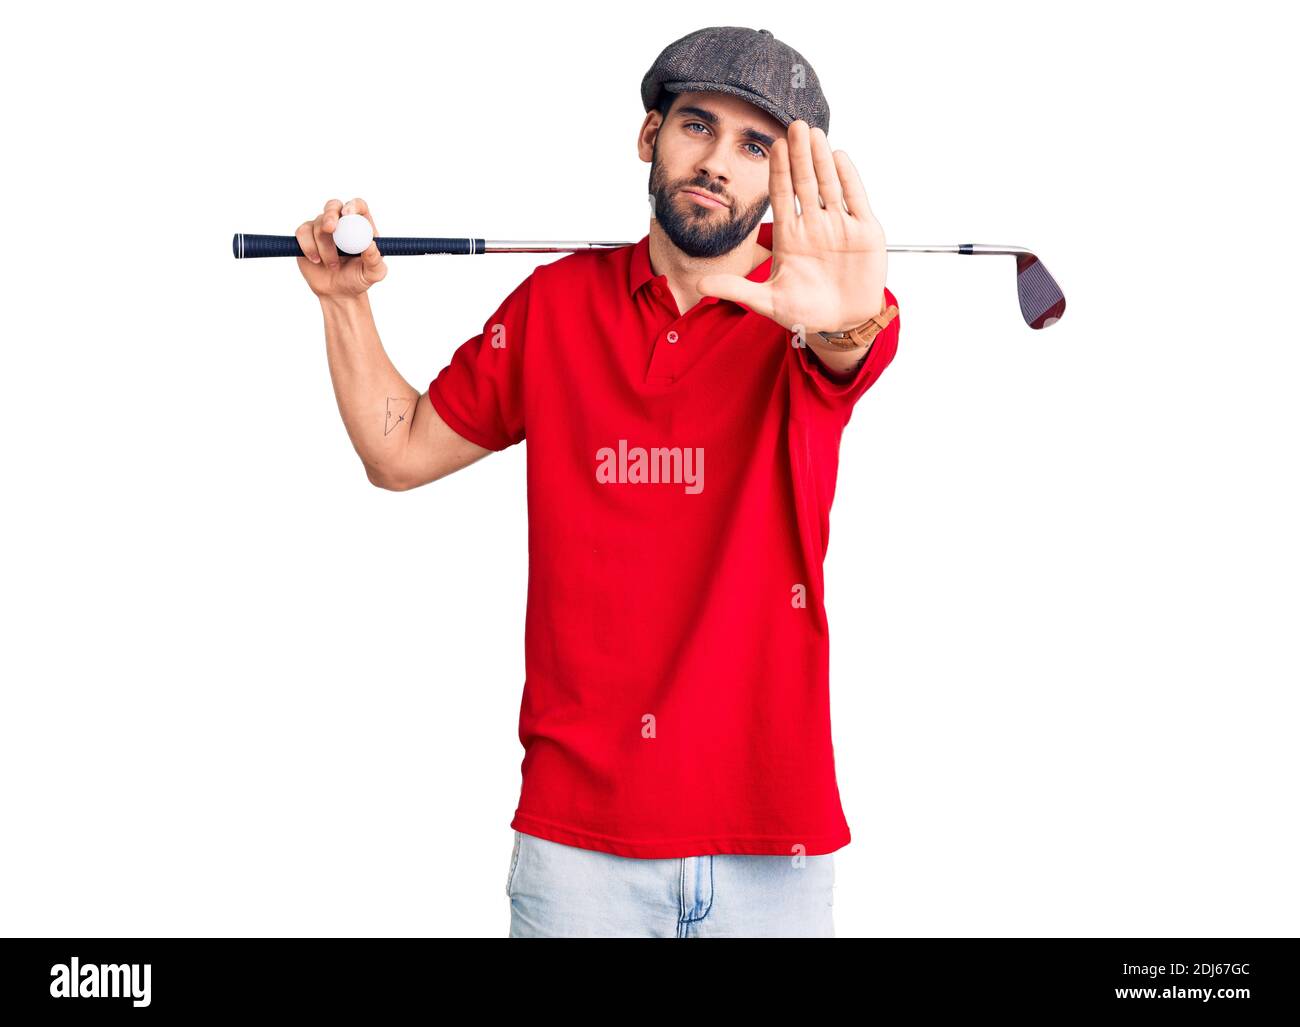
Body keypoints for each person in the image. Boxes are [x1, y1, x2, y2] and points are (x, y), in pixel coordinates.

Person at [295, 26, 901, 938]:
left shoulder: (825, 313)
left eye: (754, 146)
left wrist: (844, 323)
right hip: (578, 849)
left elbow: (849, 346)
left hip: (773, 847)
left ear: (781, 176)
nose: (717, 163)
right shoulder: (553, 307)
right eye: (698, 125)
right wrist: (346, 305)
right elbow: (401, 450)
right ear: (649, 135)